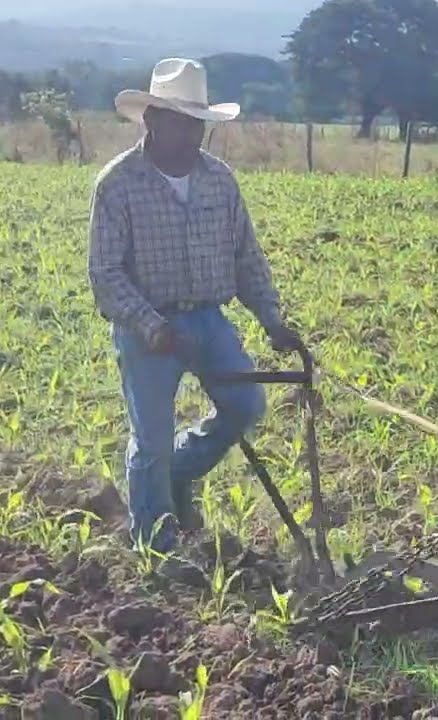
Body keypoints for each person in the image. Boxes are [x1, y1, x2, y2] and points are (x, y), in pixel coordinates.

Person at [87, 58, 302, 553]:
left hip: (208, 318)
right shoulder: (118, 183)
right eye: (180, 122)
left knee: (246, 405)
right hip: (149, 327)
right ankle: (155, 545)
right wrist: (150, 325)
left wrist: (272, 320)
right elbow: (105, 274)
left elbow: (246, 257)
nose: (191, 135)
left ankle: (176, 476)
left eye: (197, 124)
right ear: (153, 121)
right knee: (152, 438)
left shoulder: (219, 181)